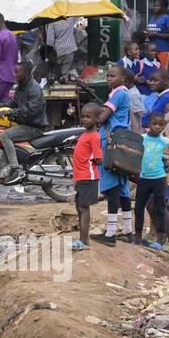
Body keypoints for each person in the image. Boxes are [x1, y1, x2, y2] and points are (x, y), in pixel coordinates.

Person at [92, 63, 133, 245]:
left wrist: (94, 116)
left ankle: (110, 234)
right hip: (120, 142)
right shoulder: (121, 93)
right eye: (107, 75)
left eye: (112, 76)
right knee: (122, 187)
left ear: (123, 79)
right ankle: (127, 230)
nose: (109, 78)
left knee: (112, 187)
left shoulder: (118, 93)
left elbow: (102, 117)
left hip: (111, 143)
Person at [0, 61, 48, 181]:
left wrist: (12, 112)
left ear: (26, 73)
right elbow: (13, 102)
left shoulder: (34, 88)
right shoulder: (21, 86)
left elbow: (30, 110)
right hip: (25, 123)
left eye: (17, 72)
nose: (14, 74)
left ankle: (14, 168)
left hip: (34, 126)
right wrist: (0, 106)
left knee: (5, 135)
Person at [135, 112, 169, 249]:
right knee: (139, 208)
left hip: (159, 178)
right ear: (149, 125)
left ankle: (160, 240)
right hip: (144, 178)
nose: (158, 127)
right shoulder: (142, 139)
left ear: (164, 126)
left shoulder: (164, 141)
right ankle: (138, 238)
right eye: (155, 124)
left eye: (161, 125)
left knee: (160, 209)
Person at [72, 103, 103, 250]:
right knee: (79, 207)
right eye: (83, 116)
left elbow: (99, 159)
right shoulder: (85, 134)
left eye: (88, 117)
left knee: (84, 208)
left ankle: (84, 242)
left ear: (97, 119)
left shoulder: (94, 137)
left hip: (88, 176)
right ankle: (82, 239)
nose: (84, 119)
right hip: (81, 176)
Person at [146, 0, 169, 69]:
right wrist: (148, 33)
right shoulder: (152, 18)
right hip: (152, 51)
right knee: (154, 71)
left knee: (162, 71)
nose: (155, 7)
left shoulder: (166, 18)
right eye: (154, 6)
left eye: (157, 6)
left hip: (163, 49)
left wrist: (156, 34)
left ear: (164, 8)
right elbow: (151, 34)